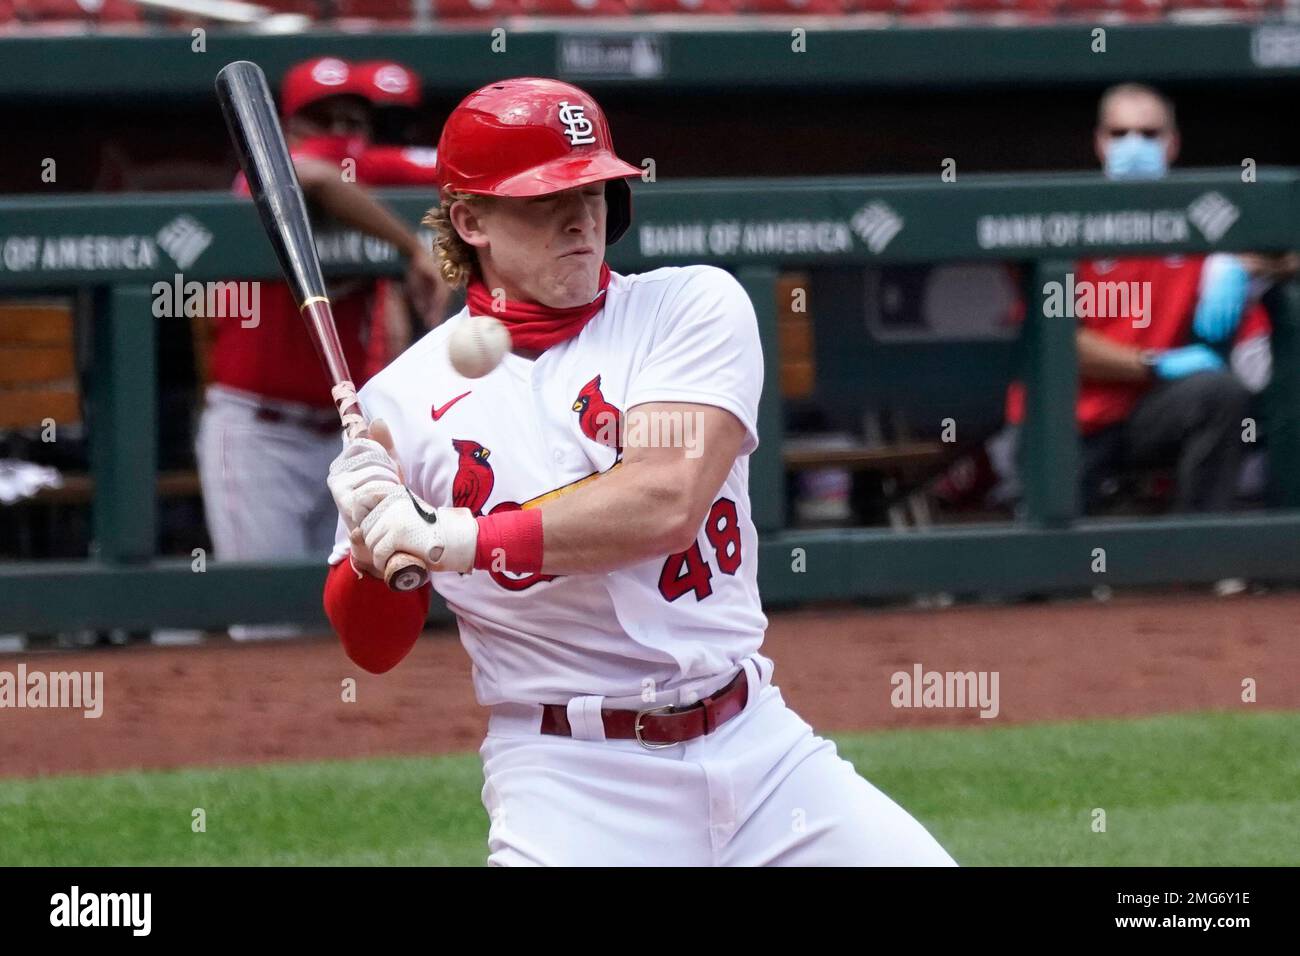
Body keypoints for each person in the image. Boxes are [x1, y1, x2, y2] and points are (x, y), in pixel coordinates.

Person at [322, 77, 956, 867]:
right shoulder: (403, 402)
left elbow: (664, 500)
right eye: (544, 196)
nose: (580, 215)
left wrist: (454, 537)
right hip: (570, 780)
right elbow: (373, 647)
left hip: (760, 751)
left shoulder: (688, 308)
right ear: (469, 220)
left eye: (593, 189)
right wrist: (369, 546)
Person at [196, 56, 443, 640]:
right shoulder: (261, 180)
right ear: (286, 128)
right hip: (261, 435)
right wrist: (412, 248)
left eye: (352, 119)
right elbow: (313, 175)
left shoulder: (375, 196)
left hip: (345, 440)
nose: (340, 133)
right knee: (268, 625)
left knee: (335, 620)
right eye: (321, 118)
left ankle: (338, 733)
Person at [998, 83, 1288, 515]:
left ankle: (1199, 554)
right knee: (1046, 569)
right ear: (1099, 143)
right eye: (1120, 134)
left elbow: (1286, 244)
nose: (1134, 145)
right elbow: (1058, 342)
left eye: (1149, 134)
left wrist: (1243, 263)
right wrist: (1154, 363)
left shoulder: (1201, 217)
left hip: (1148, 415)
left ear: (1172, 145)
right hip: (1069, 418)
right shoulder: (1065, 218)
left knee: (1219, 393)